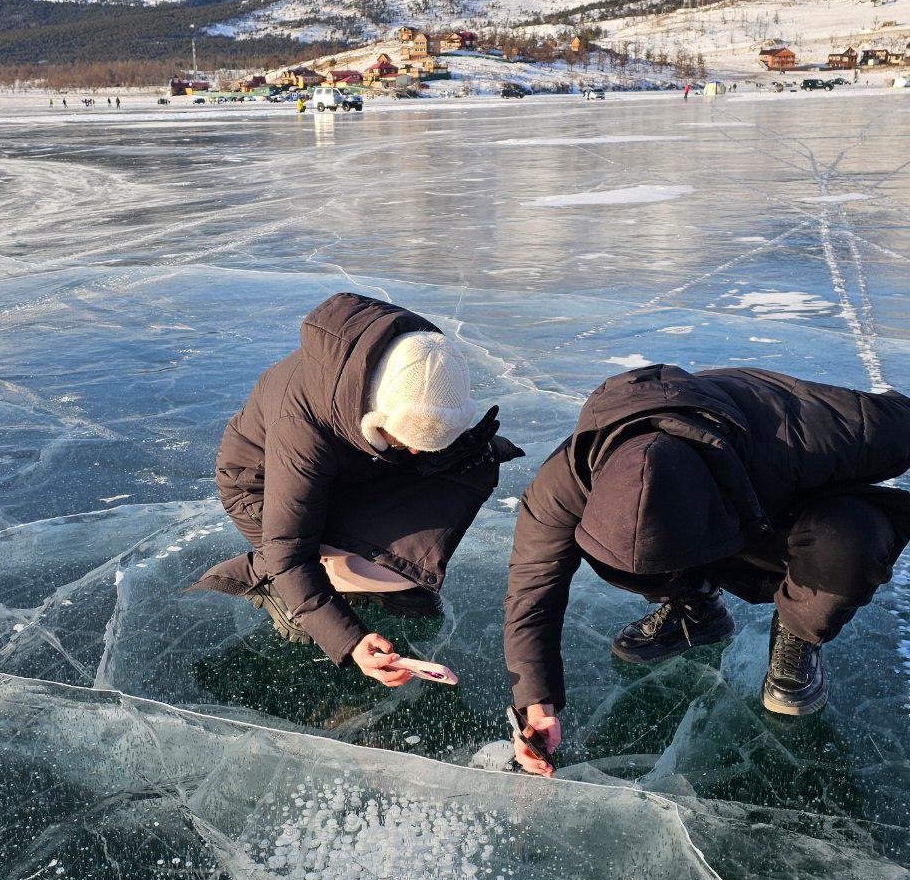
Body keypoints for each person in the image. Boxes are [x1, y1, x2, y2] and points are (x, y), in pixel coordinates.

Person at [505, 363, 910, 775]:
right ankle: (696, 607)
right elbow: (532, 592)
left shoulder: (811, 431)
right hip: (723, 513)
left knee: (847, 540)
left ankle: (798, 632)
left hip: (785, 499)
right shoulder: (567, 479)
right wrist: (536, 703)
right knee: (617, 550)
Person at [194, 293, 521, 686]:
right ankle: (278, 589)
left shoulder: (422, 364)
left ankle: (363, 571)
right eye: (405, 440)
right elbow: (289, 548)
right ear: (376, 414)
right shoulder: (301, 429)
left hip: (351, 470)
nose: (415, 451)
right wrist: (348, 639)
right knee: (294, 567)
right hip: (260, 491)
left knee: (467, 464)